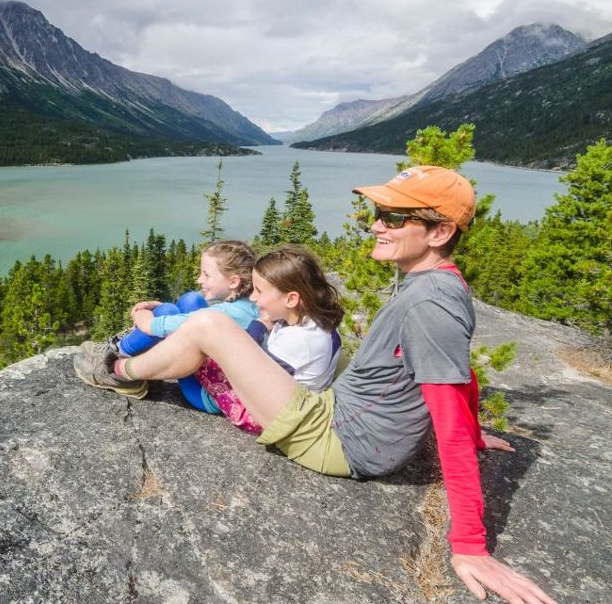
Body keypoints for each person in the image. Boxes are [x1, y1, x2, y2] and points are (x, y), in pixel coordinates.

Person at [74, 166, 555, 604]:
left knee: (208, 328)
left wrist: (470, 545)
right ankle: (132, 368)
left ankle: (120, 373)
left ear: (441, 231)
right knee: (212, 330)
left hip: (340, 441)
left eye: (394, 216)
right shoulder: (436, 283)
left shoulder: (431, 303)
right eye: (377, 212)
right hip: (339, 418)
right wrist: (475, 430)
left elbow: (446, 407)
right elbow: (460, 371)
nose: (376, 224)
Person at [81, 240, 259, 403]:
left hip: (208, 394)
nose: (199, 279)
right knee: (191, 300)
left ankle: (114, 360)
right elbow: (198, 314)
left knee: (166, 313)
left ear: (234, 281)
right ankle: (134, 360)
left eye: (206, 275)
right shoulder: (250, 304)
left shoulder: (226, 314)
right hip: (218, 375)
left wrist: (142, 314)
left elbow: (152, 326)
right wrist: (158, 307)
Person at [191, 245, 344, 434]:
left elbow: (246, 368)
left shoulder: (299, 341)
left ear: (291, 299)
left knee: (198, 351)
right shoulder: (315, 320)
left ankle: (204, 397)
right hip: (286, 400)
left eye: (259, 291)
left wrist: (257, 327)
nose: (253, 297)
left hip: (261, 414)